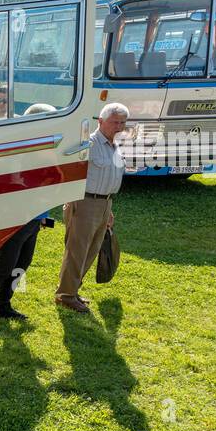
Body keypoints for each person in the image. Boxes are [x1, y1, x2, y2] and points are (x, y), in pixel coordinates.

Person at [55, 102, 128, 314]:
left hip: (103, 202)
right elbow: (68, 170)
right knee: (77, 250)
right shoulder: (89, 143)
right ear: (101, 121)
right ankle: (65, 295)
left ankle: (72, 289)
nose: (119, 126)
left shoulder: (114, 145)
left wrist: (108, 208)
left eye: (123, 122)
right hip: (84, 202)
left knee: (92, 249)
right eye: (115, 122)